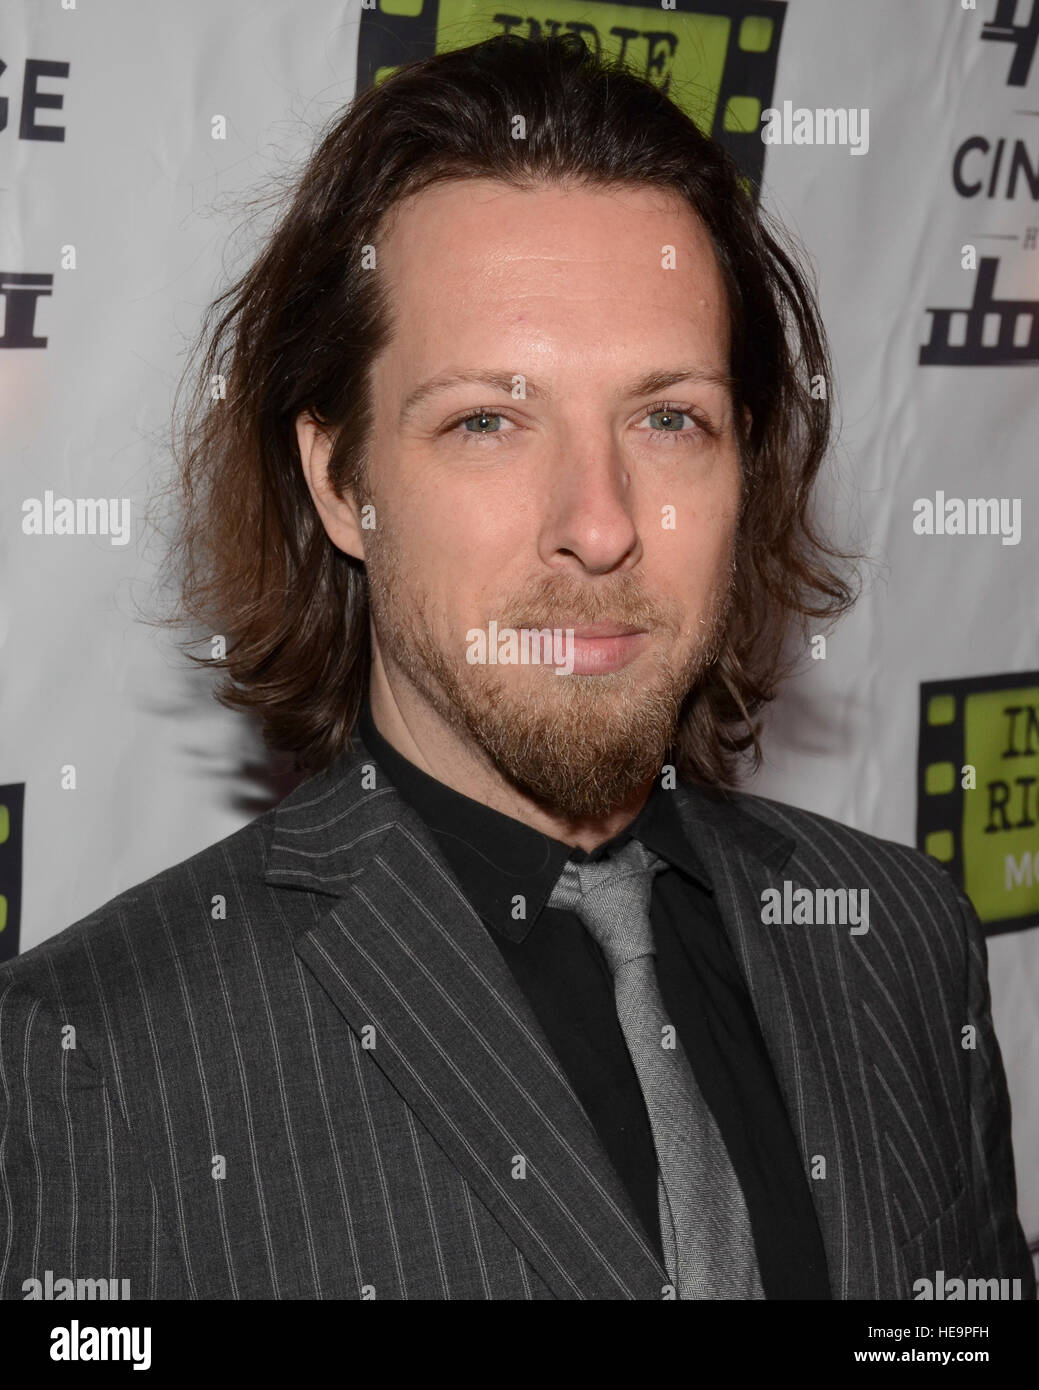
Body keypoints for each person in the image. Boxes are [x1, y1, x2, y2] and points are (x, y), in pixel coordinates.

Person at [0, 33, 1032, 1302]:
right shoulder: (100, 1052)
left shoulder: (901, 941)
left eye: (669, 419)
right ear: (339, 480)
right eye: (487, 420)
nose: (598, 523)